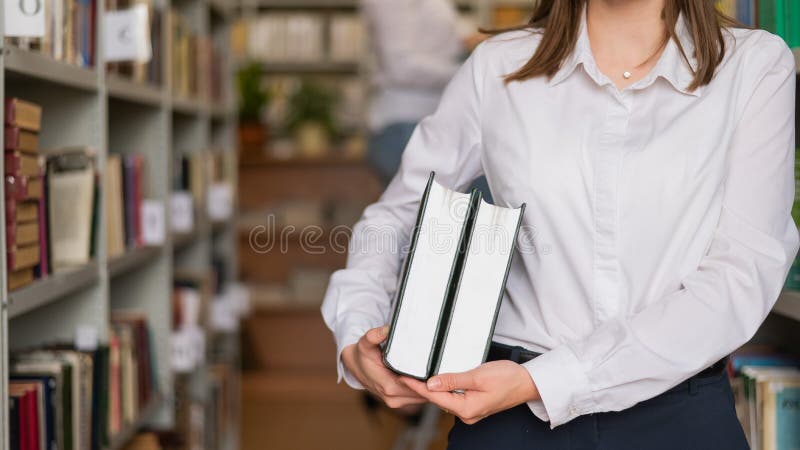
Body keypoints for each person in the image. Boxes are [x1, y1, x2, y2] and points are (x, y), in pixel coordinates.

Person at [322, 0, 799, 446]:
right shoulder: (497, 67)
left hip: (678, 416)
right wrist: (357, 324)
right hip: (507, 420)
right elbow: (394, 216)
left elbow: (741, 275)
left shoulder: (754, 67)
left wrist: (545, 381)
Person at [363, 0, 490, 198]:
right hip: (405, 125)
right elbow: (400, 67)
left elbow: (440, 38)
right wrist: (467, 73)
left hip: (433, 124)